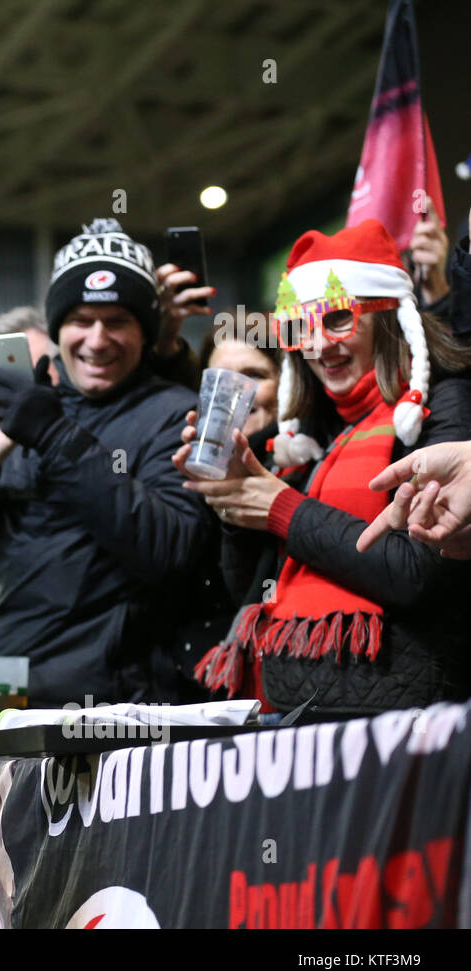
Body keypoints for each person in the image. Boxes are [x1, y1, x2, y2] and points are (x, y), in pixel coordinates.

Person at [0, 218, 225, 708]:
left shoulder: (177, 413)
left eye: (118, 321)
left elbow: (168, 550)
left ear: (146, 332)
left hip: (108, 703)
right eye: (81, 320)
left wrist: (55, 437)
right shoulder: (19, 409)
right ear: (57, 330)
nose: (98, 340)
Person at [176, 219, 471, 715]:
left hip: (399, 728)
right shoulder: (306, 434)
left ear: (389, 319)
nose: (318, 345)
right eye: (301, 328)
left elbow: (421, 574)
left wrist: (282, 509)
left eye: (336, 320)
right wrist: (234, 504)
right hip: (291, 723)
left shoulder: (447, 405)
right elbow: (249, 591)